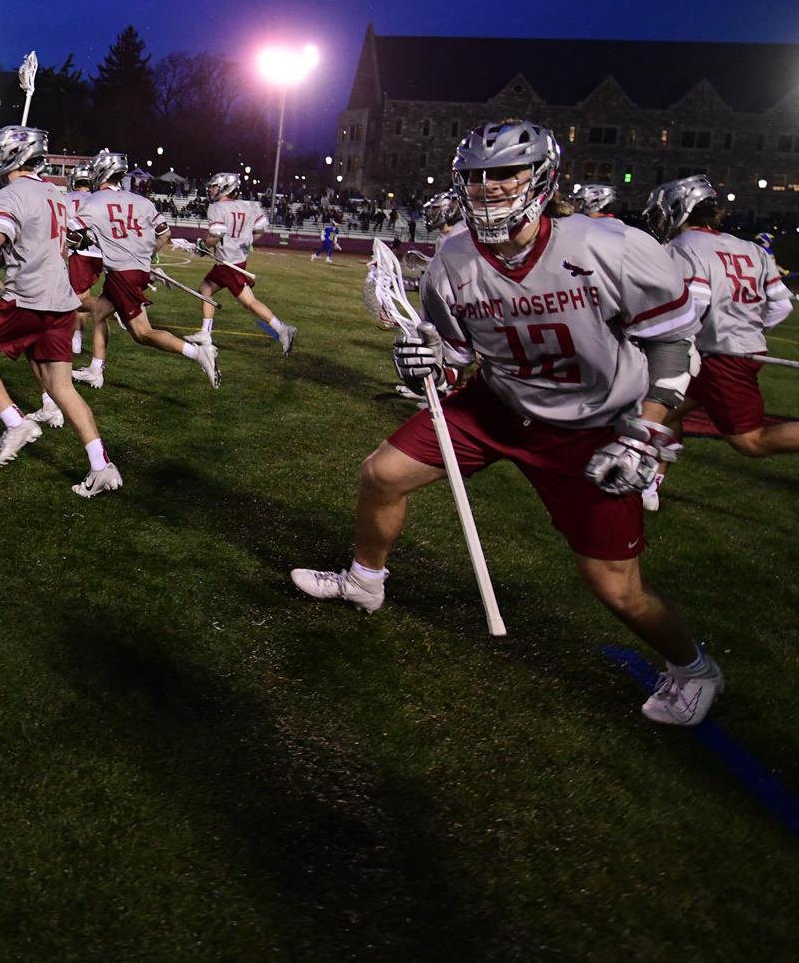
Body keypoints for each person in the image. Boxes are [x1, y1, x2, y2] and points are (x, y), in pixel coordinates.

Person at [290, 120, 724, 726]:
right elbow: (455, 356)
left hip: (591, 425)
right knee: (382, 474)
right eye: (476, 176)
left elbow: (672, 344)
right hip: (497, 404)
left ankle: (694, 667)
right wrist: (423, 361)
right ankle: (366, 580)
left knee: (616, 586)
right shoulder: (452, 258)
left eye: (505, 173)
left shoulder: (609, 245)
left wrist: (645, 432)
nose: (489, 187)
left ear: (542, 177)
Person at [640, 176, 799, 510]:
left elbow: (697, 303)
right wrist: (745, 330)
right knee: (659, 411)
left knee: (752, 441)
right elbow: (782, 305)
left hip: (716, 357)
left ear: (681, 209)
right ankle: (649, 487)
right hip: (733, 352)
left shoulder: (682, 248)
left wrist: (668, 337)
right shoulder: (750, 248)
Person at [0, 125, 119, 496]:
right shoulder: (55, 193)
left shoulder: (11, 193)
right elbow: (65, 238)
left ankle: (16, 423)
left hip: (29, 298)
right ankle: (102, 466)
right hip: (62, 301)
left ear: (16, 155)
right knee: (61, 387)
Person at [61, 149, 220, 395]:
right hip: (134, 270)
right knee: (100, 312)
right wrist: (147, 256)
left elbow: (71, 235)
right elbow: (164, 234)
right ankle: (95, 369)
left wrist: (81, 242)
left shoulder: (93, 202)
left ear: (102, 172)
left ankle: (198, 353)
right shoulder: (142, 201)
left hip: (122, 274)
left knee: (143, 334)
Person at [189, 171, 295, 355]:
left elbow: (216, 235)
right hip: (236, 261)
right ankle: (206, 333)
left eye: (214, 186)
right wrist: (245, 241)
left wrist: (202, 246)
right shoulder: (249, 205)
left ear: (224, 188)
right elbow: (260, 230)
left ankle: (282, 330)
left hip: (228, 264)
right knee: (207, 289)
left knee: (246, 301)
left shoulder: (217, 207)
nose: (211, 190)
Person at [62, 164, 105, 356]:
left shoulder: (66, 198)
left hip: (81, 252)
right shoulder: (99, 198)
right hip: (101, 253)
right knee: (84, 294)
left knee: (78, 298)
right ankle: (77, 336)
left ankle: (76, 336)